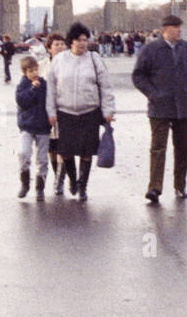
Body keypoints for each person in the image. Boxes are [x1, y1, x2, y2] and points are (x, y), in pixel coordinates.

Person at [132, 14, 187, 204]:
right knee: (158, 148)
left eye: (180, 27)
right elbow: (138, 76)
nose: (179, 31)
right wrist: (153, 94)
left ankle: (180, 185)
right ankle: (155, 188)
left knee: (183, 147)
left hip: (184, 105)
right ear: (165, 29)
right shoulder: (151, 49)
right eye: (176, 27)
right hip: (160, 107)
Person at [46, 22, 114, 202]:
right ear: (71, 41)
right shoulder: (59, 60)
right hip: (65, 112)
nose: (83, 43)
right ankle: (72, 180)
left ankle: (82, 186)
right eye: (79, 40)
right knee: (66, 151)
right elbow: (51, 88)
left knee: (86, 152)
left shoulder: (94, 59)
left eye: (85, 40)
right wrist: (51, 111)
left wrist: (108, 110)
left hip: (89, 111)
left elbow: (106, 86)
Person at [15, 55, 51, 200]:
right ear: (25, 72)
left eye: (36, 70)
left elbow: (51, 101)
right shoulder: (22, 86)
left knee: (42, 159)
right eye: (31, 71)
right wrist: (32, 89)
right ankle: (24, 182)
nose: (34, 73)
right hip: (27, 126)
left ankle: (40, 188)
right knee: (23, 153)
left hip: (43, 126)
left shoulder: (45, 84)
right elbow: (22, 102)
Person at [39, 33, 68, 195]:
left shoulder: (72, 64)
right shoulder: (41, 66)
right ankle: (58, 174)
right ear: (49, 48)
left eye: (63, 44)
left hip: (66, 111)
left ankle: (59, 180)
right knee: (52, 147)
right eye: (56, 44)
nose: (60, 47)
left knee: (64, 147)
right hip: (47, 112)